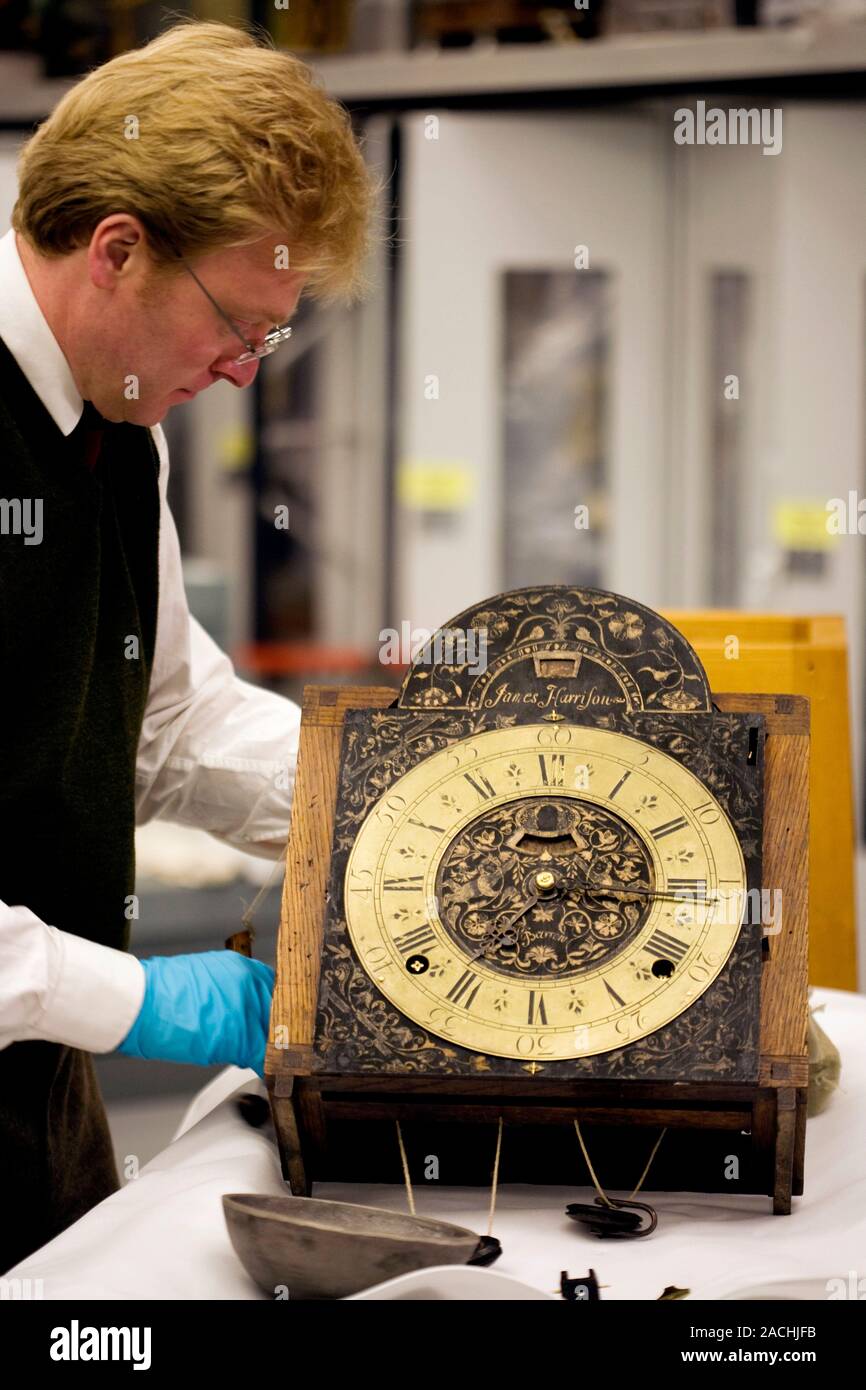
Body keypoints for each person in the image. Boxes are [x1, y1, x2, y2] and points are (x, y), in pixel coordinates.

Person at [0, 17, 376, 1272]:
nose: (242, 375)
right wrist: (142, 998)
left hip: (35, 1088)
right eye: (239, 325)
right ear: (117, 249)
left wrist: (393, 804)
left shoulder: (117, 438)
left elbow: (163, 722)